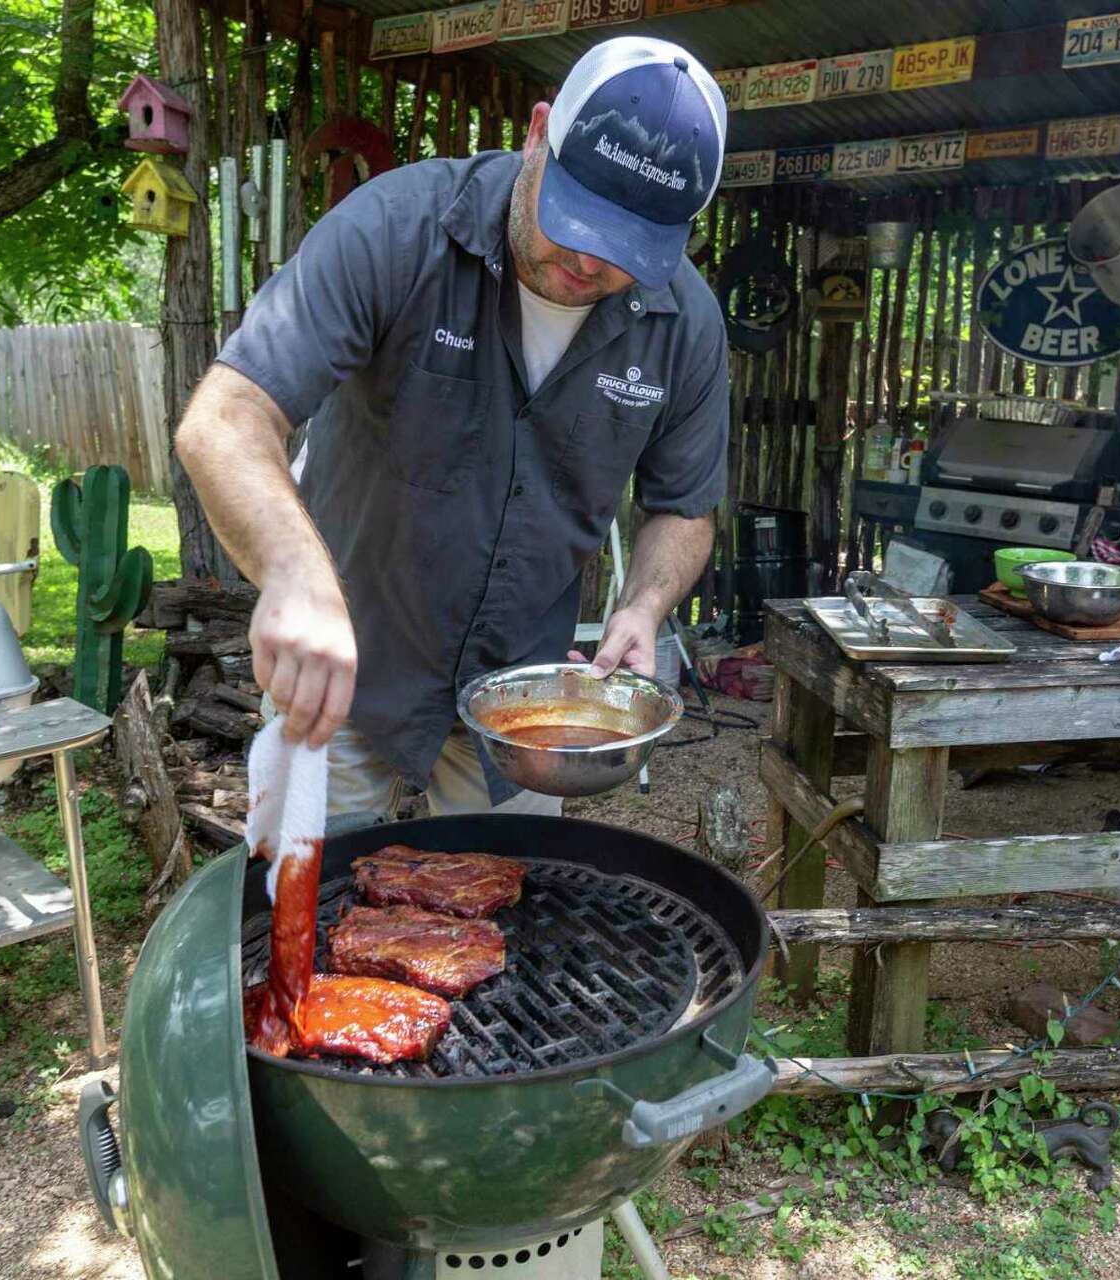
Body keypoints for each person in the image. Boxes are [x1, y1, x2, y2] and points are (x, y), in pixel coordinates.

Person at [174, 35, 731, 819]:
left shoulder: (686, 323)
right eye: (577, 217)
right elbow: (225, 417)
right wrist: (296, 578)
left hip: (522, 701)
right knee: (307, 892)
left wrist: (644, 605)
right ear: (537, 133)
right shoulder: (398, 228)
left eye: (627, 247)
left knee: (507, 895)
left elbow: (684, 507)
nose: (589, 262)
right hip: (346, 666)